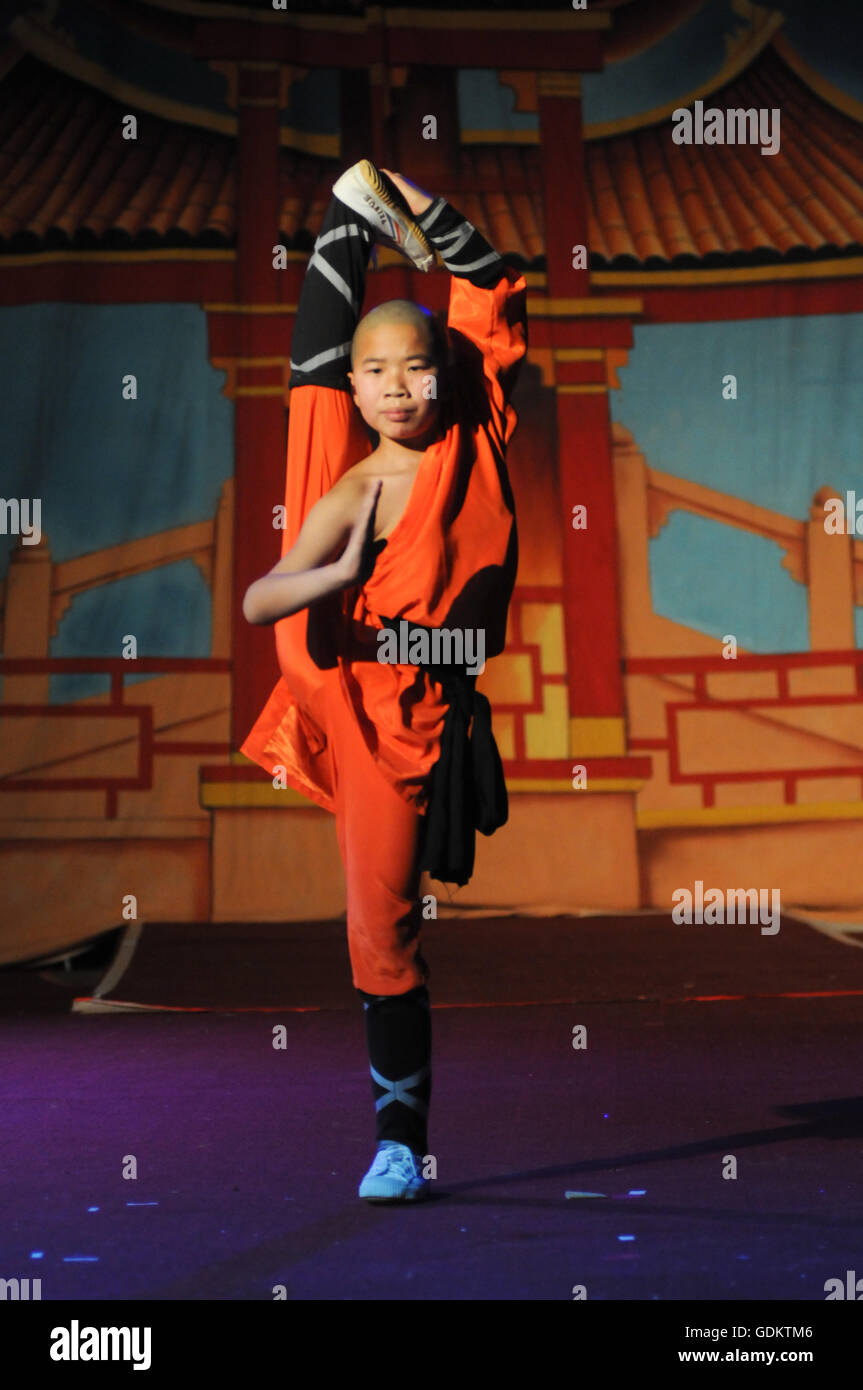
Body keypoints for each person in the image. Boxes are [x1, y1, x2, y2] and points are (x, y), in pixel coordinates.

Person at [241, 160, 527, 1201]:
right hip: (351, 697)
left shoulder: (474, 435)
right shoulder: (350, 475)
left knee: (398, 911)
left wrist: (424, 208)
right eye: (379, 374)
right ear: (359, 384)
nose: (401, 388)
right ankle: (398, 1140)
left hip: (439, 701)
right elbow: (263, 598)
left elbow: (489, 285)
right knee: (382, 927)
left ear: (439, 376)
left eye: (416, 369)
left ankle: (351, 212)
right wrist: (339, 572)